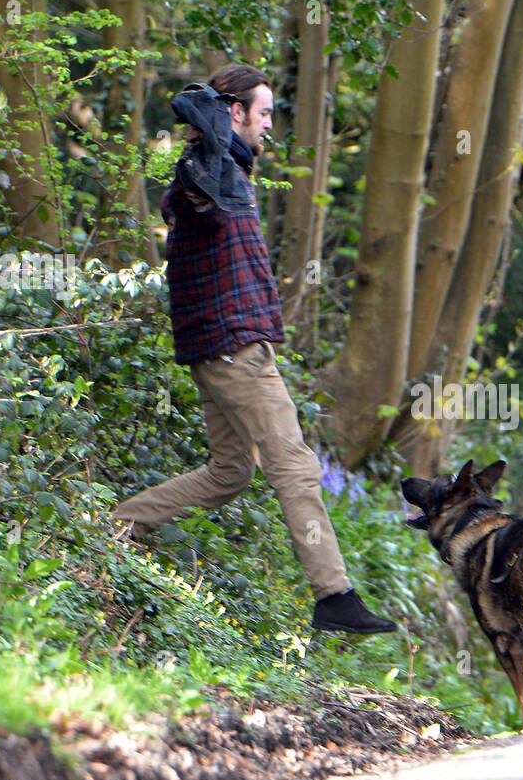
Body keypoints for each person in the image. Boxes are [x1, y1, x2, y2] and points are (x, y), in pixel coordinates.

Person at [112, 63, 395, 635]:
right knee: (294, 465)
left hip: (225, 346)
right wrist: (210, 130)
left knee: (230, 472)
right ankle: (334, 594)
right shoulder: (201, 175)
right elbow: (195, 195)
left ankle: (115, 525)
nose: (270, 125)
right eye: (262, 113)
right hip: (233, 349)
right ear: (233, 113)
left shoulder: (229, 175)